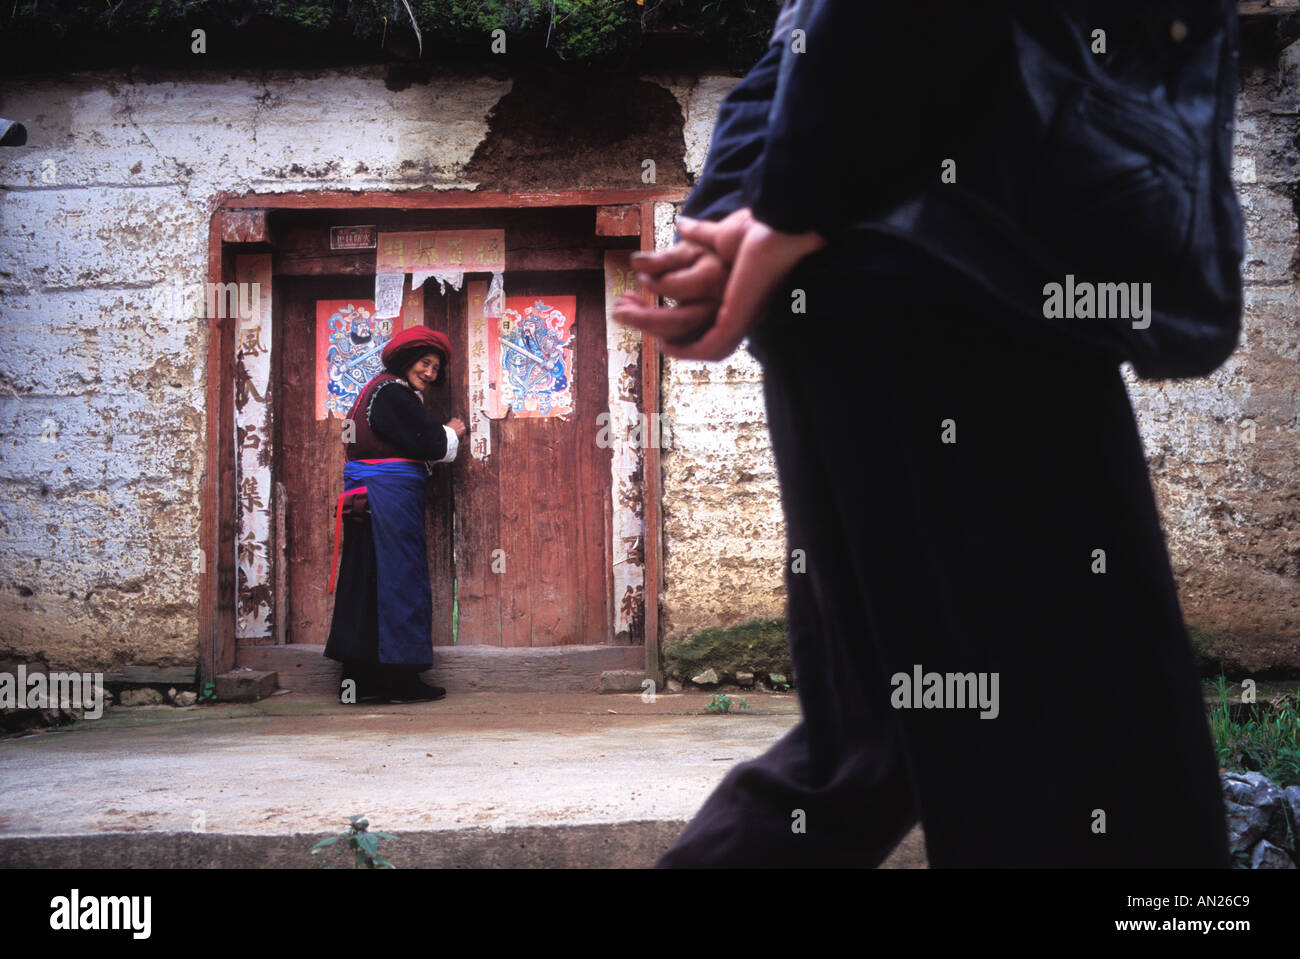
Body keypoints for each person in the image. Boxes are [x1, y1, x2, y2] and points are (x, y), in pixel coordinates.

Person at [614, 0, 1238, 866]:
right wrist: (787, 206)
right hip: (969, 288)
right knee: (1114, 783)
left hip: (863, 297)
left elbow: (794, 43)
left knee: (877, 751)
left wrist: (752, 213)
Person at [325, 326, 468, 704]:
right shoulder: (392, 392)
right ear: (408, 361)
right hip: (387, 501)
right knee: (399, 582)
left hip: (375, 501)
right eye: (426, 363)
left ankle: (356, 684)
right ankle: (401, 681)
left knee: (367, 582)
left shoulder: (382, 391)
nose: (431, 373)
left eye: (436, 368)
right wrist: (450, 431)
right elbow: (432, 443)